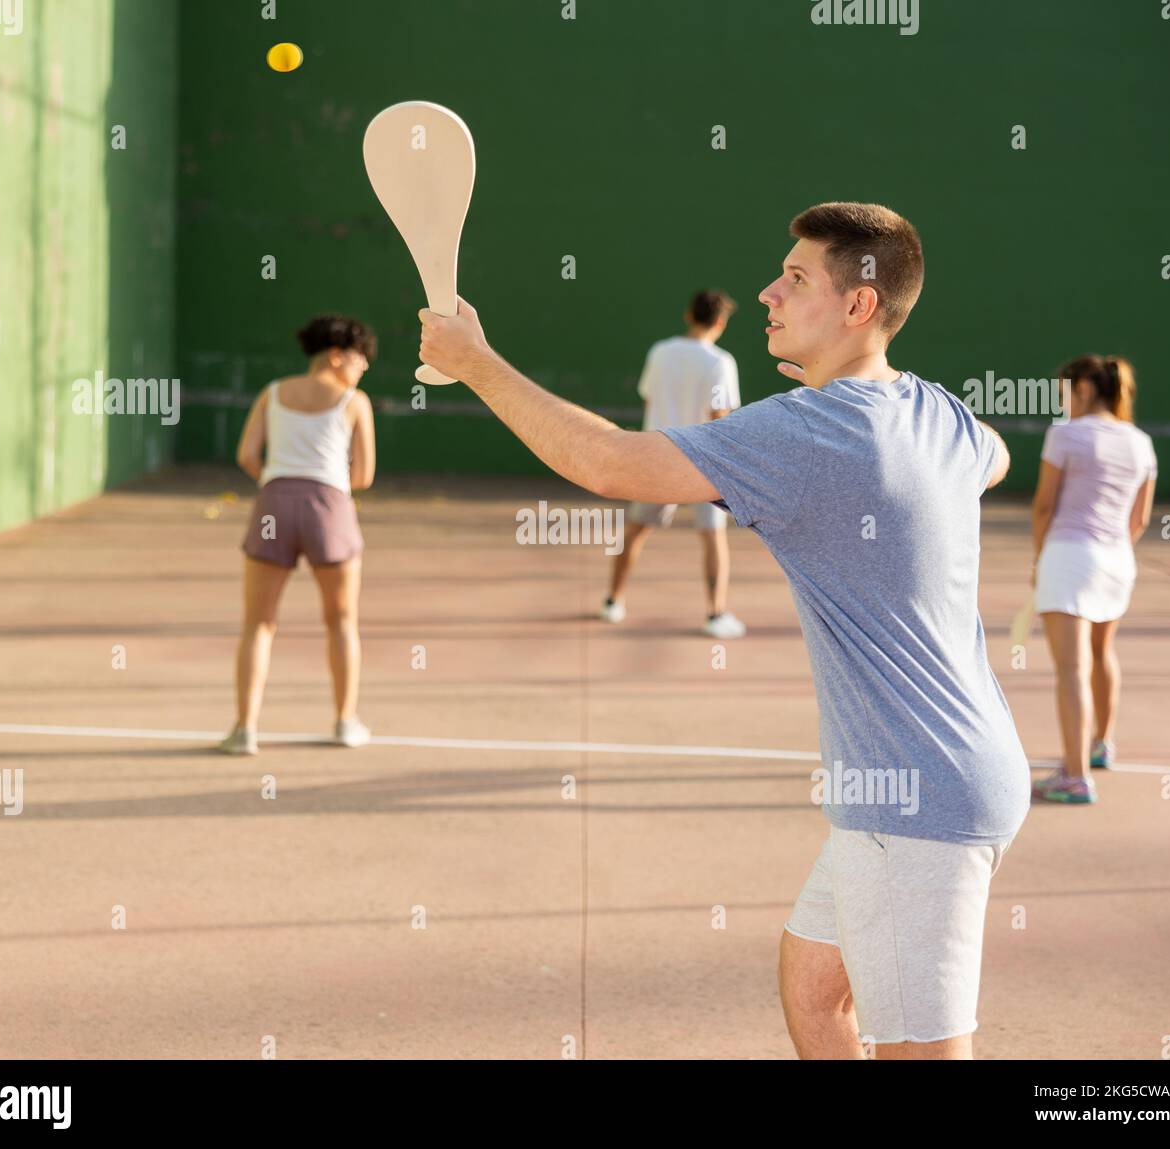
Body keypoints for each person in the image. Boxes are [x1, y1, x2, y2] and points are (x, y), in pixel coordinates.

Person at [417, 201, 1030, 1060]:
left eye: (796, 278)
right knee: (816, 988)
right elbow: (995, 453)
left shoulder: (813, 429)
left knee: (923, 1052)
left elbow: (606, 461)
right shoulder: (935, 413)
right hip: (940, 777)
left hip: (919, 800)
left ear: (858, 306)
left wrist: (476, 364)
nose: (768, 291)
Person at [218, 315, 377, 756]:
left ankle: (244, 730)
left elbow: (247, 455)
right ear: (336, 355)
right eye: (361, 358)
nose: (364, 367)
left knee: (258, 623)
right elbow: (363, 475)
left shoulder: (271, 392)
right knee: (342, 621)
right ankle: (346, 723)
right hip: (330, 507)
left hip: (273, 502)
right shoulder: (355, 400)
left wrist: (278, 481)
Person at [1029, 356, 1157, 804]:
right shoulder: (1141, 442)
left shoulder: (1064, 434)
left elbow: (1044, 506)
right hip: (1117, 562)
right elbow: (1139, 519)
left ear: (1083, 388)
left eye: (1065, 390)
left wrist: (1041, 559)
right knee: (1102, 653)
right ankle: (1102, 744)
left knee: (1072, 669)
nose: (1062, 399)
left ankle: (1075, 776)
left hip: (1069, 558)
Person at [600, 289, 747, 638]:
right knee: (713, 536)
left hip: (657, 456)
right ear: (721, 323)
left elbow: (650, 396)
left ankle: (612, 602)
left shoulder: (660, 352)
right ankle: (716, 615)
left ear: (688, 315)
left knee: (637, 530)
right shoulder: (720, 363)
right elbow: (720, 417)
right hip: (703, 462)